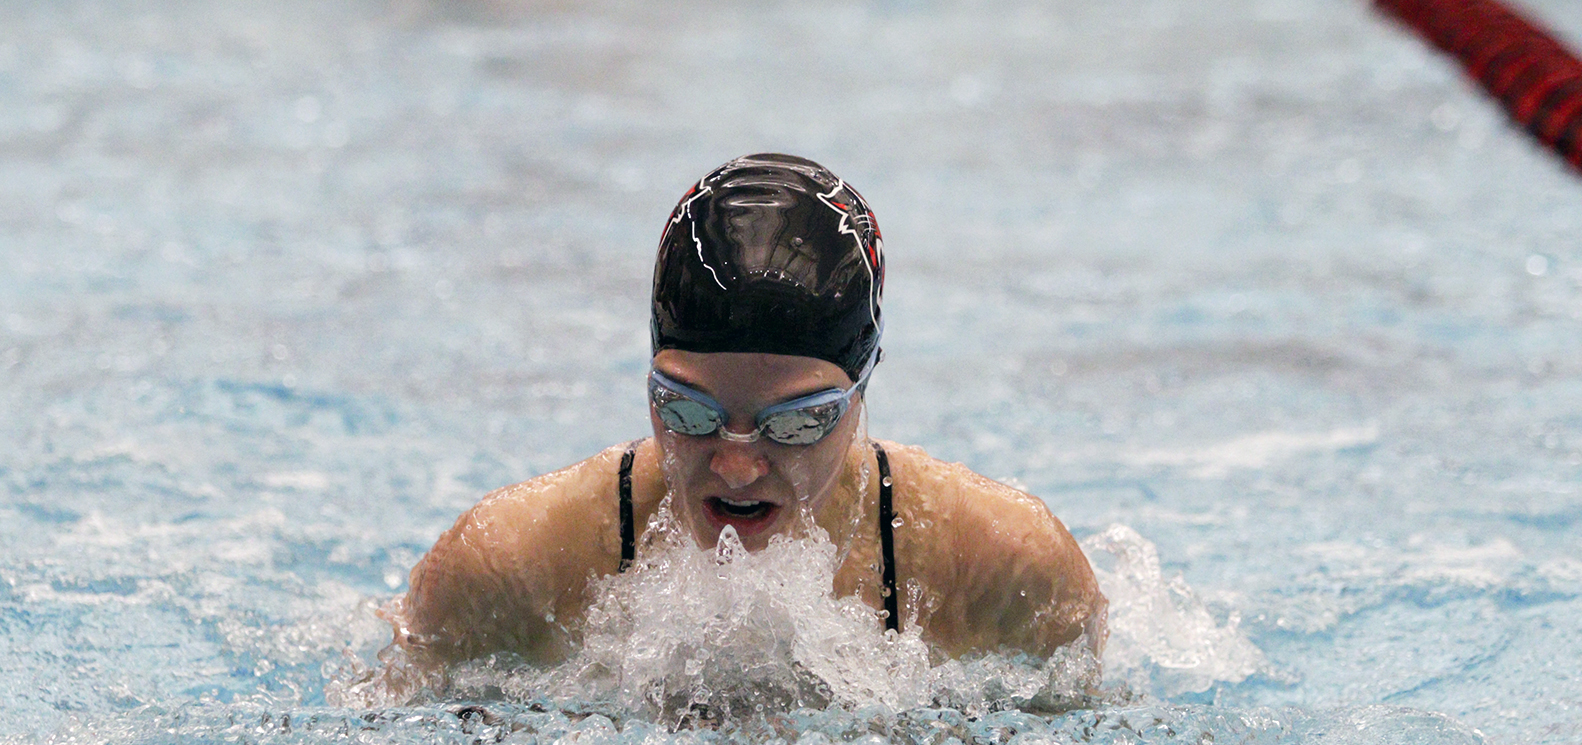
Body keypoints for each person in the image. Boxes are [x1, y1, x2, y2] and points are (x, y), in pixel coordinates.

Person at [382, 153, 1106, 672]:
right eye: (690, 412)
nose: (735, 463)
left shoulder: (1004, 571)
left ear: (861, 390)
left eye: (795, 422)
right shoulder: (513, 568)